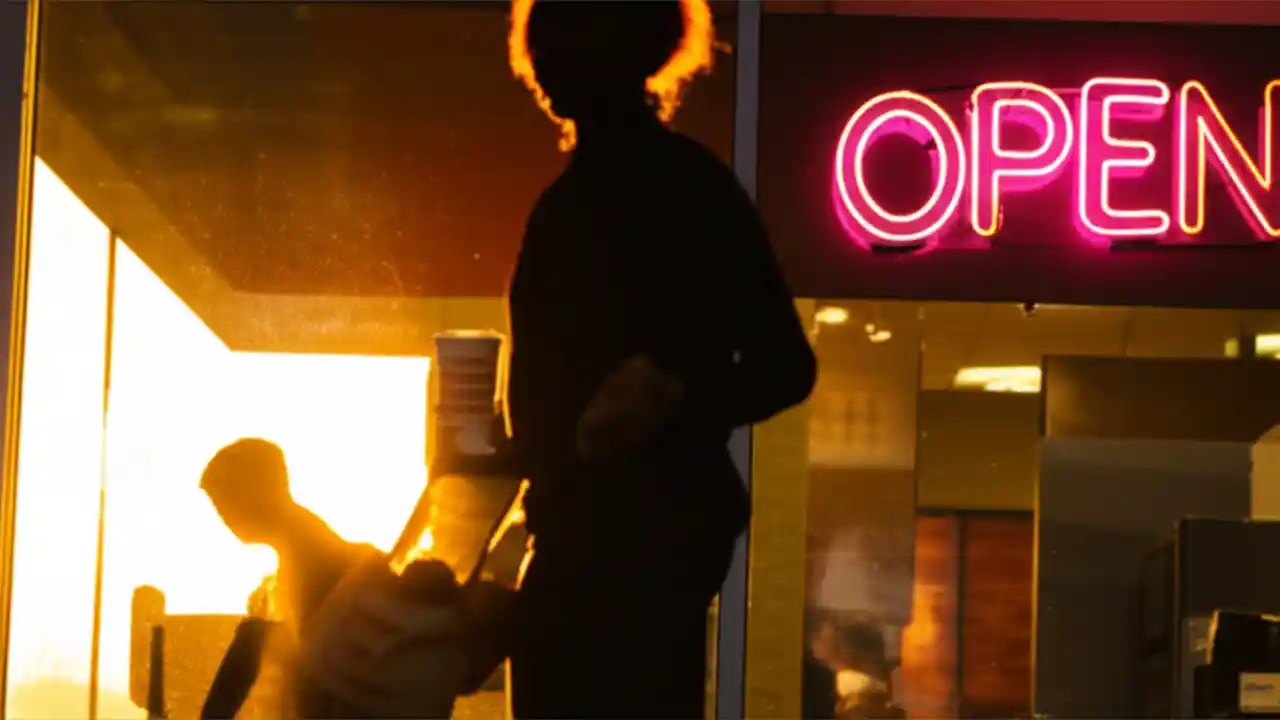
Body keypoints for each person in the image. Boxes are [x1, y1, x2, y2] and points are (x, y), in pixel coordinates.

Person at [504, 1, 818, 717]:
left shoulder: (641, 194)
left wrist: (662, 407)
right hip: (613, 540)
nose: (545, 66)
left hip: (624, 547)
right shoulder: (667, 188)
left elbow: (786, 363)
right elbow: (783, 364)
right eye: (543, 46)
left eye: (558, 43)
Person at [200, 438, 370, 632]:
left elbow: (314, 642)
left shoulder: (310, 552)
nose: (223, 515)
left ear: (257, 491)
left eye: (224, 500)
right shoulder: (300, 545)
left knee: (251, 636)